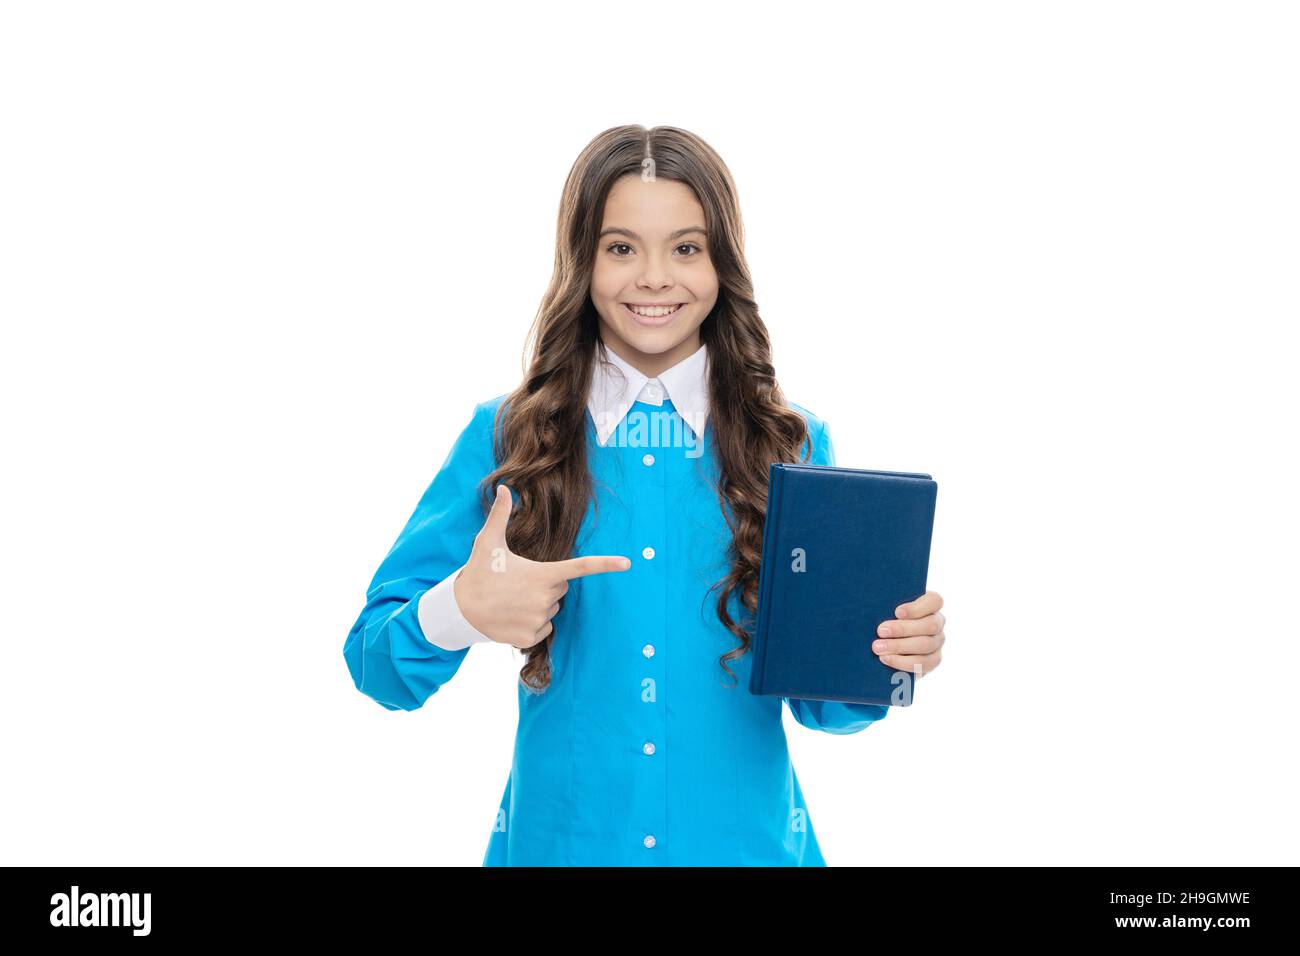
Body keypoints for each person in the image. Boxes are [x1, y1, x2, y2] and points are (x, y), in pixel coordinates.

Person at [342, 124, 948, 866]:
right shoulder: (508, 436)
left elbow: (828, 708)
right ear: (581, 263)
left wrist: (883, 656)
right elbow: (375, 666)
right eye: (621, 247)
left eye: (686, 248)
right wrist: (460, 611)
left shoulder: (791, 443)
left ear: (722, 263)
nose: (655, 277)